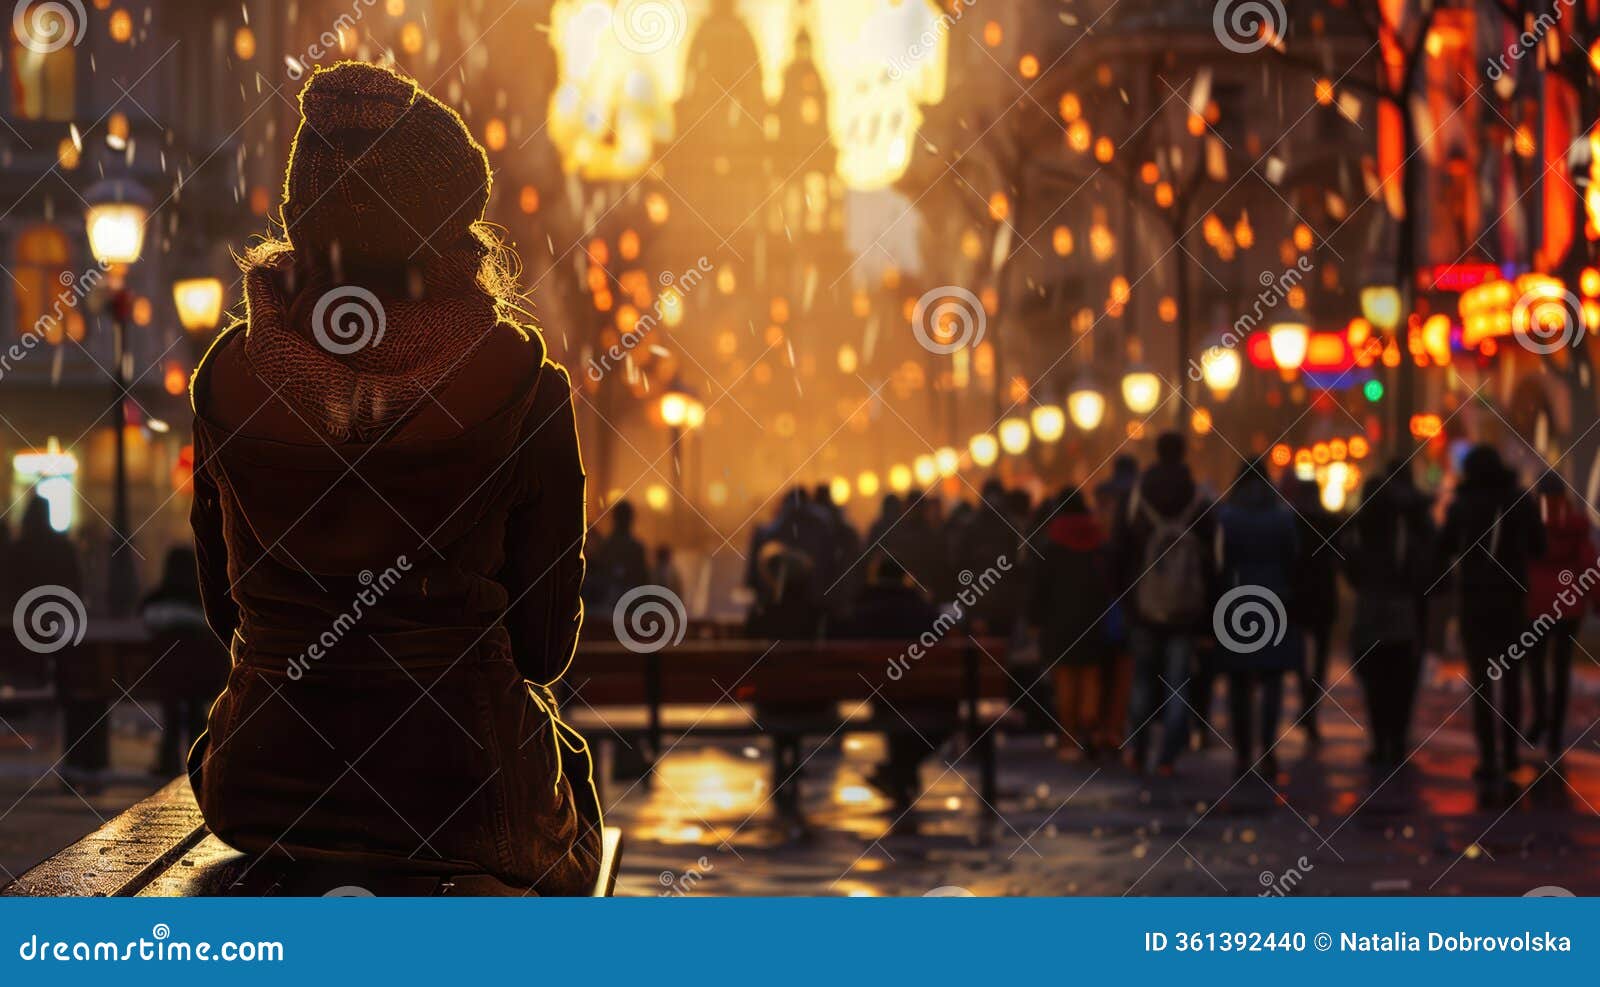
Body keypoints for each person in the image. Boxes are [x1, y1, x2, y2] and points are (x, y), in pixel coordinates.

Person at [186, 62, 600, 894]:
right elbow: (545, 648)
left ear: (302, 217)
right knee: (574, 783)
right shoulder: (523, 385)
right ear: (450, 231)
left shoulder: (227, 378)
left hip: (265, 792)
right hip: (464, 796)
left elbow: (224, 609)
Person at [1438, 444, 1545, 785]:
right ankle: (1511, 753)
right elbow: (1539, 546)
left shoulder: (1463, 503)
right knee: (1512, 679)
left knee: (1481, 683)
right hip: (1511, 602)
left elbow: (1445, 547)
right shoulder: (1520, 500)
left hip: (1474, 601)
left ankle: (1487, 757)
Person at [1112, 431, 1216, 775]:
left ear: (1155, 454)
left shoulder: (1136, 497)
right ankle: (1168, 757)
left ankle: (1137, 750)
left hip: (1143, 607)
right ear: (1184, 453)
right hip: (1185, 611)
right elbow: (1212, 564)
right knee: (1177, 683)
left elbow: (1120, 553)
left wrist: (1126, 602)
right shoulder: (1198, 498)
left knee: (1141, 680)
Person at [1214, 458, 1301, 777]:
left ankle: (1242, 751)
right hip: (1274, 598)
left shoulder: (1226, 516)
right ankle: (1268, 747)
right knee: (1272, 677)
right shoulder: (1282, 517)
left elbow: (1219, 564)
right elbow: (1293, 557)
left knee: (1238, 681)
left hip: (1236, 602)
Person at [1343, 465, 1434, 766]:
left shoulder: (1359, 530)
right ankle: (1396, 740)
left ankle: (1380, 740)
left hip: (1369, 612)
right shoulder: (1401, 531)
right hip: (1400, 615)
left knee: (1375, 682)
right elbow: (1418, 570)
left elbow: (1350, 569)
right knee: (1400, 681)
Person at [837, 556, 942, 808]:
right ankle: (898, 772)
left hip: (881, 696)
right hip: (922, 694)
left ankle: (897, 773)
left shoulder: (860, 610)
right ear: (904, 578)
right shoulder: (921, 610)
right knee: (920, 706)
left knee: (890, 698)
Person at [1029, 488, 1113, 757]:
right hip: (1093, 620)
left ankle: (1069, 738)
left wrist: (1035, 620)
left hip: (1059, 623)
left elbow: (1038, 588)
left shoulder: (1050, 544)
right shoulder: (1098, 540)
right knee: (1090, 677)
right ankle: (1089, 727)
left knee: (1065, 681)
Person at [1524, 471, 1592, 764]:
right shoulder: (1575, 525)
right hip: (1569, 606)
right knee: (1562, 668)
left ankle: (1539, 718)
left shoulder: (1531, 524)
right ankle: (1554, 732)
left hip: (1536, 605)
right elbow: (1589, 564)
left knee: (1536, 665)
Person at [140, 547, 225, 776]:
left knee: (172, 713)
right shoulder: (202, 601)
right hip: (200, 679)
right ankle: (199, 762)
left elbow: (145, 621)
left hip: (168, 679)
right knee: (196, 711)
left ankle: (167, 763)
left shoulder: (156, 601)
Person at [1285, 476, 1340, 747]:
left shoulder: (1291, 523)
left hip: (1297, 598)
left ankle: (1306, 700)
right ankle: (1311, 707)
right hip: (1323, 597)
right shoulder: (1329, 523)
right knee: (1319, 658)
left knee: (1298, 657)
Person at [585, 499, 650, 614]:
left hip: (625, 604)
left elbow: (643, 579)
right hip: (612, 604)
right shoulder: (611, 546)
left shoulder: (609, 546)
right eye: (623, 517)